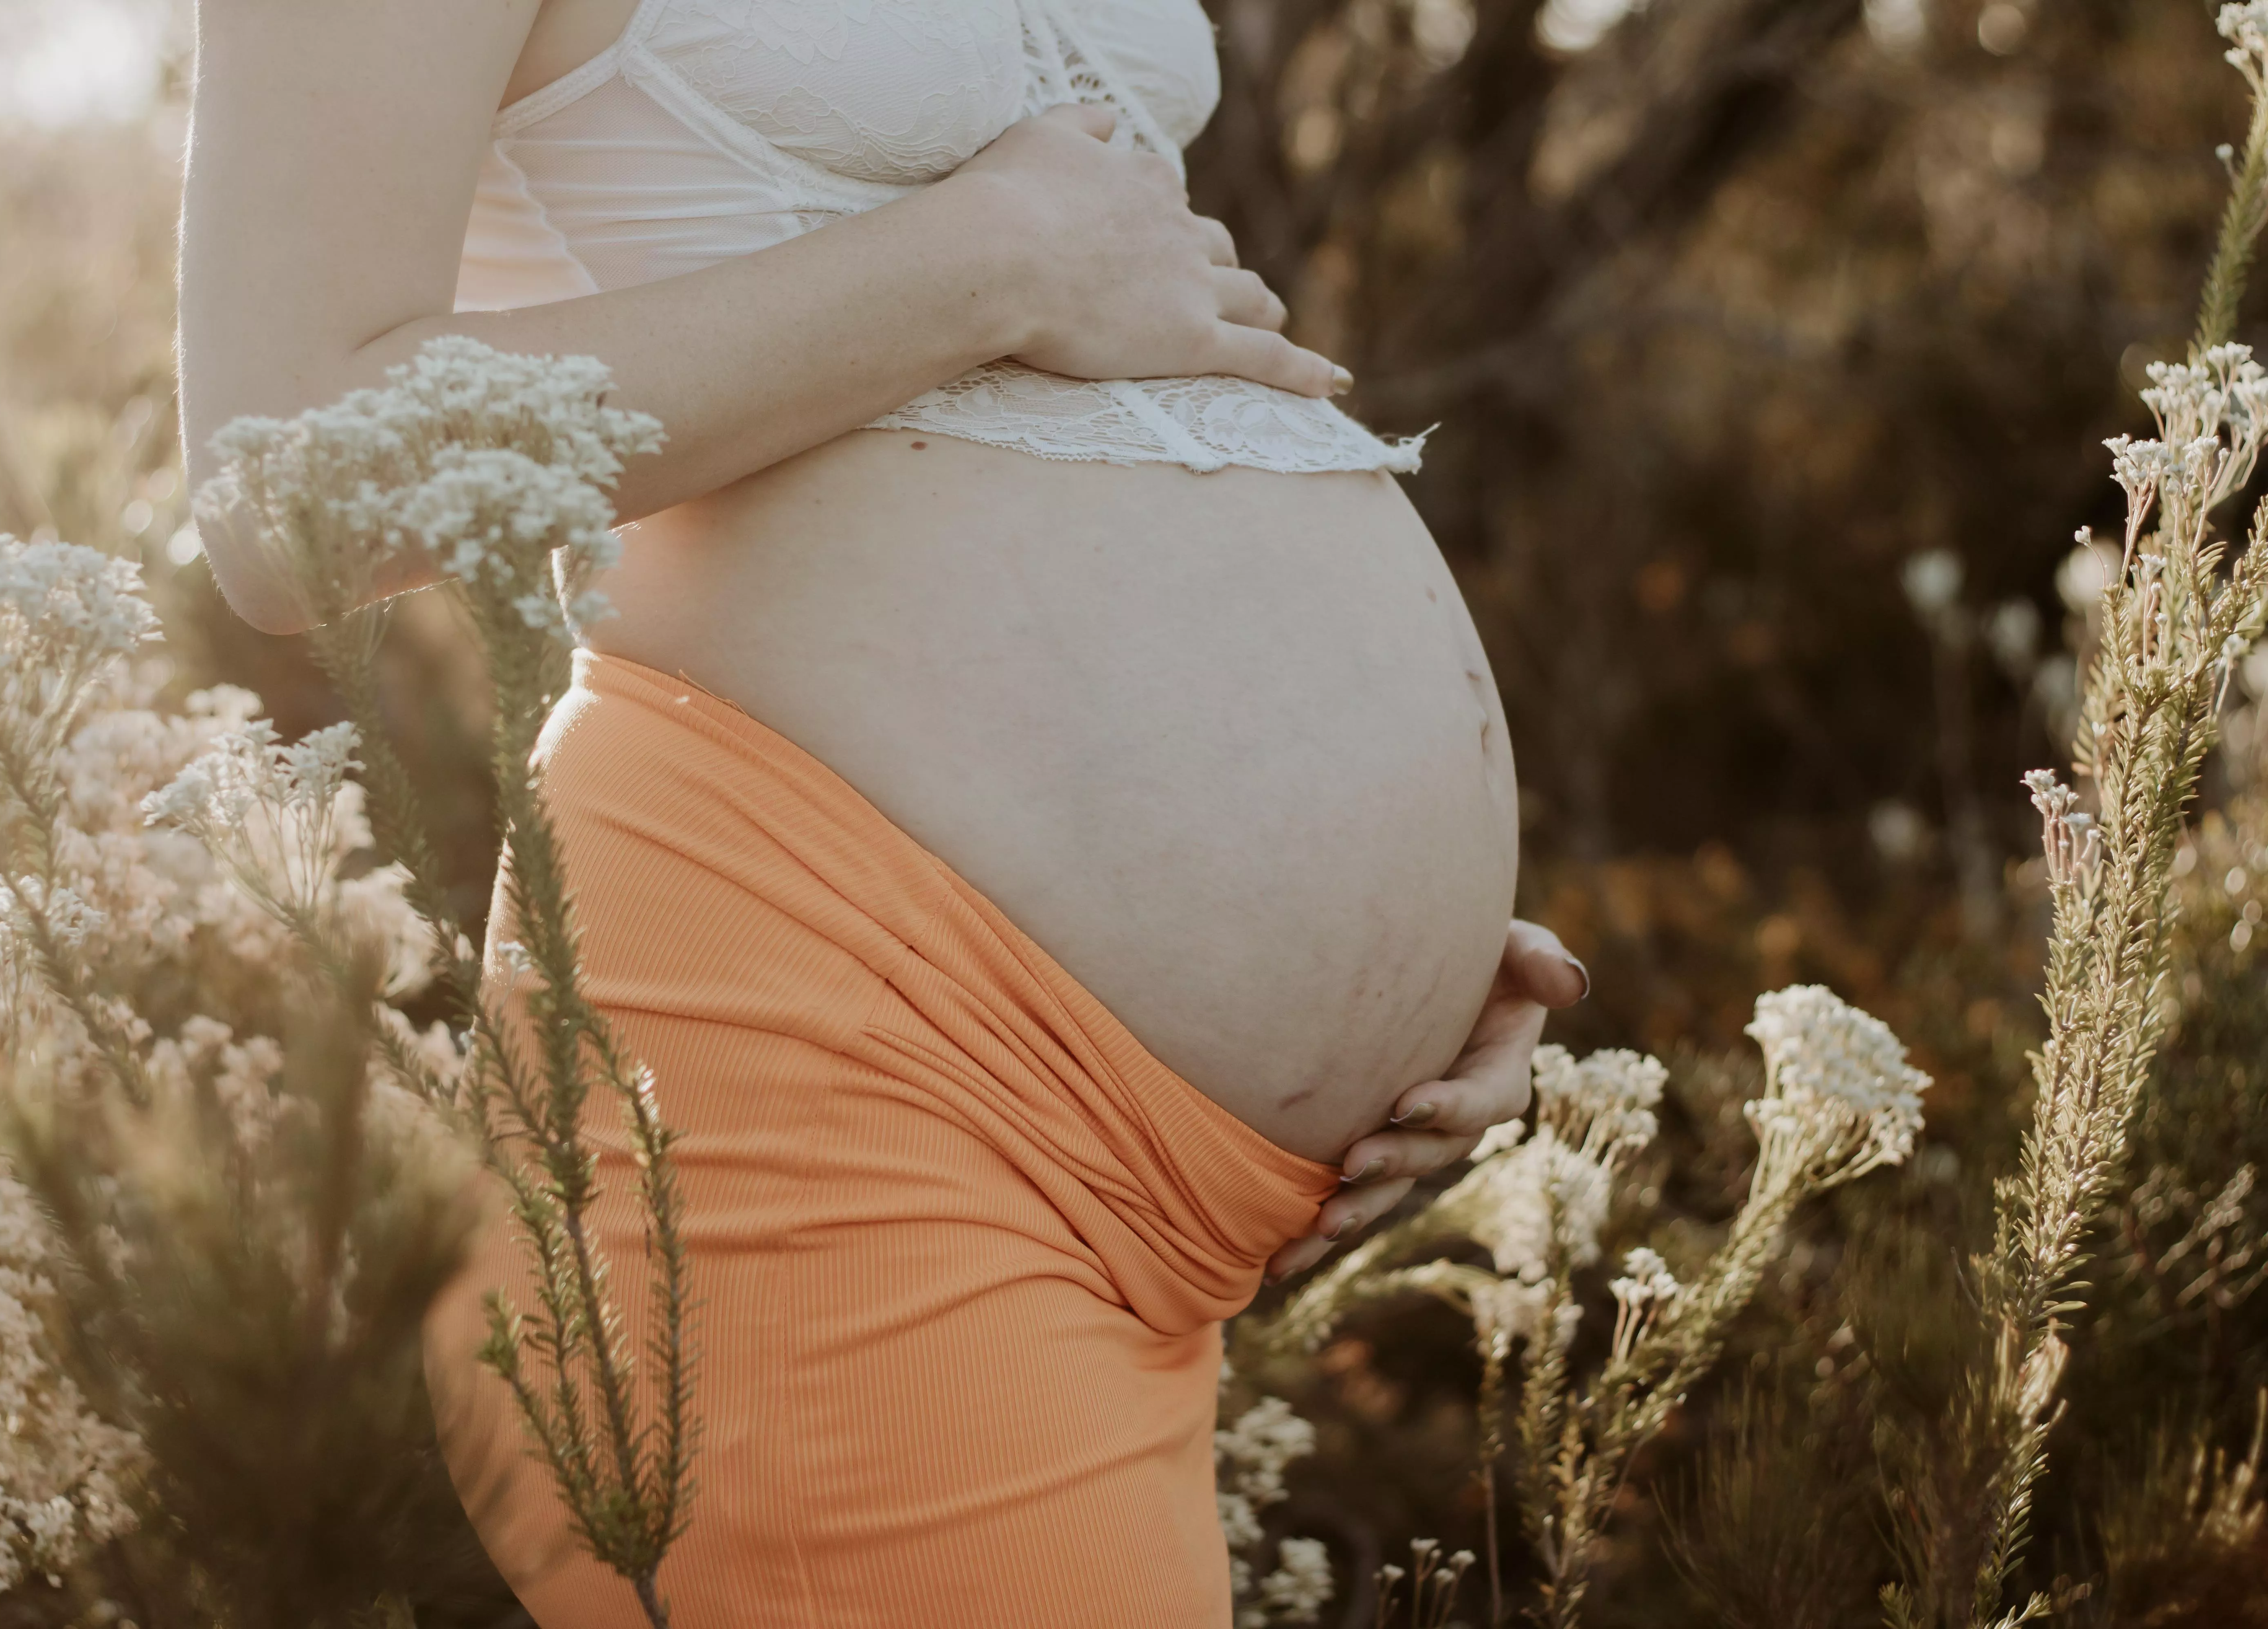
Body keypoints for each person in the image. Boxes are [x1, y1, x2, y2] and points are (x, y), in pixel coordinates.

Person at [176, 0, 1589, 1622]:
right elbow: (285, 486)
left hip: (1135, 1151)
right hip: (811, 1053)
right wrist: (983, 264)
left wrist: (1389, 949)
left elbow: (1119, 312)